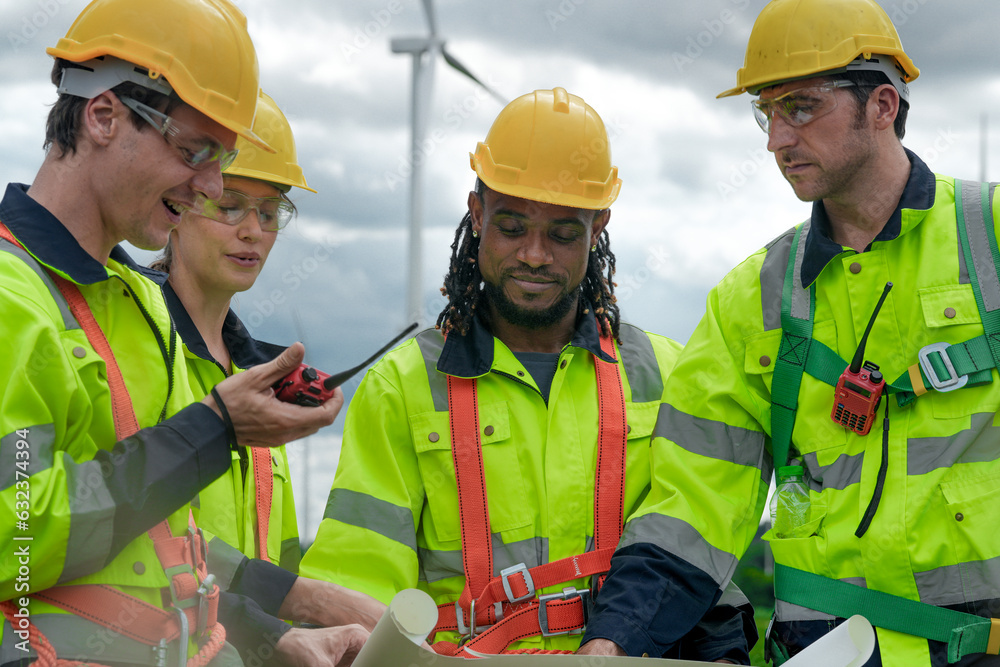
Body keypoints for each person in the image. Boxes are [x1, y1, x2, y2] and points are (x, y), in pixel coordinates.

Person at [299, 87, 756, 662]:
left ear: (599, 228)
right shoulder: (404, 384)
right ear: (477, 213)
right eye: (512, 227)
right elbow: (357, 580)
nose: (535, 255)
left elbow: (700, 544)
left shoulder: (667, 374)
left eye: (564, 234)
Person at [605, 0, 1000, 665]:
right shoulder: (747, 301)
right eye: (766, 112)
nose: (776, 139)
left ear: (882, 105)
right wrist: (613, 641)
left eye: (802, 107)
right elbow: (690, 511)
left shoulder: (989, 237)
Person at [0, 1, 360, 665]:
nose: (210, 186)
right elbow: (14, 538)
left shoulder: (141, 300)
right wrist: (216, 427)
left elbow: (169, 539)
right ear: (103, 115)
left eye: (220, 159)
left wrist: (280, 628)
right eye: (195, 151)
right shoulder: (8, 296)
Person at [147, 90, 384, 665]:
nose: (253, 230)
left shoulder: (265, 382)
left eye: (270, 211)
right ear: (182, 199)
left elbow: (269, 562)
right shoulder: (140, 347)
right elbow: (138, 548)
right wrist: (314, 599)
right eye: (230, 205)